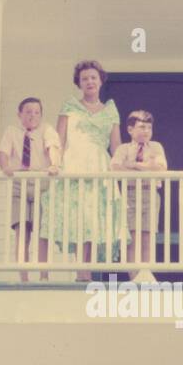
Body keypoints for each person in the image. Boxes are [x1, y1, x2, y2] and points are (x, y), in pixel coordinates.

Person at [48, 59, 122, 280]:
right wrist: (55, 163)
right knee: (79, 216)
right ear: (78, 84)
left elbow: (116, 147)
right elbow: (58, 140)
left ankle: (88, 272)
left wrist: (122, 170)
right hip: (75, 163)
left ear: (100, 81)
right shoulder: (70, 107)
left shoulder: (110, 110)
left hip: (100, 164)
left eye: (93, 77)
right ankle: (82, 274)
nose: (89, 81)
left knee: (95, 217)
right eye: (84, 79)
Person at [0, 97, 60, 282]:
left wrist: (55, 164)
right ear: (20, 114)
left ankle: (44, 276)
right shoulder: (11, 131)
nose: (32, 115)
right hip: (20, 184)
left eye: (36, 112)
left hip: (42, 184)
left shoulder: (47, 130)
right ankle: (23, 277)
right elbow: (3, 153)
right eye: (28, 112)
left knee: (42, 232)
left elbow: (52, 148)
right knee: (22, 231)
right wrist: (5, 166)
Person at [110, 110, 167, 282]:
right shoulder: (123, 148)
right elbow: (115, 167)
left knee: (148, 235)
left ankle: (145, 276)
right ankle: (134, 277)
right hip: (130, 194)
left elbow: (161, 168)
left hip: (150, 193)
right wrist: (146, 166)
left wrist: (133, 164)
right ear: (130, 130)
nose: (146, 131)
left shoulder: (156, 147)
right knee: (132, 236)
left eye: (149, 128)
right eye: (141, 127)